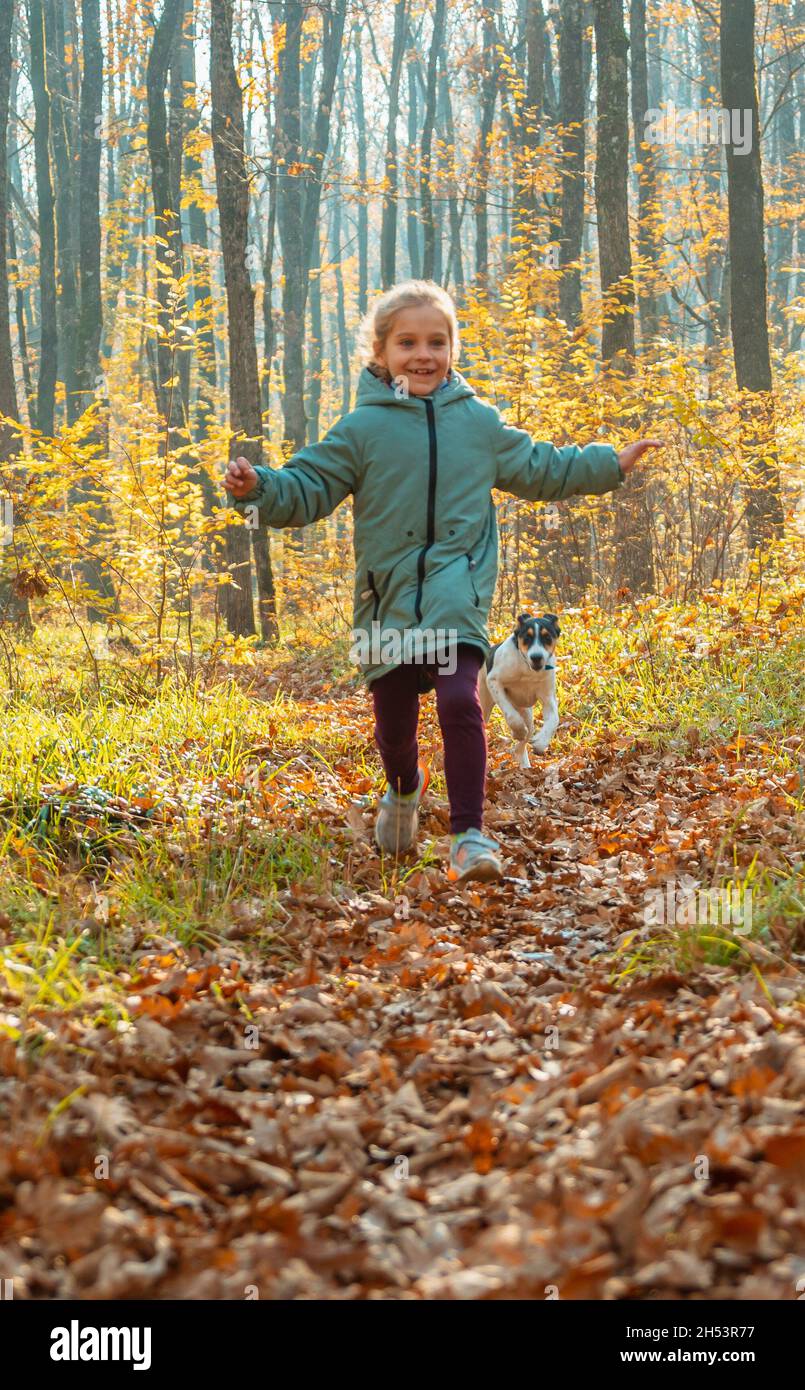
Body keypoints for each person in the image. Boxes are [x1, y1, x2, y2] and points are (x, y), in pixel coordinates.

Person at [223, 280, 661, 883]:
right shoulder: (360, 430)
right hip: (386, 604)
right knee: (394, 728)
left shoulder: (478, 424)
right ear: (380, 353)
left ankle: (468, 836)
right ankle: (405, 788)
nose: (422, 354)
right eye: (407, 342)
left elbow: (541, 466)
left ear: (453, 348)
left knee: (461, 704)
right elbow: (309, 486)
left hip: (459, 594)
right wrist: (260, 489)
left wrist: (609, 462)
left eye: (436, 341)